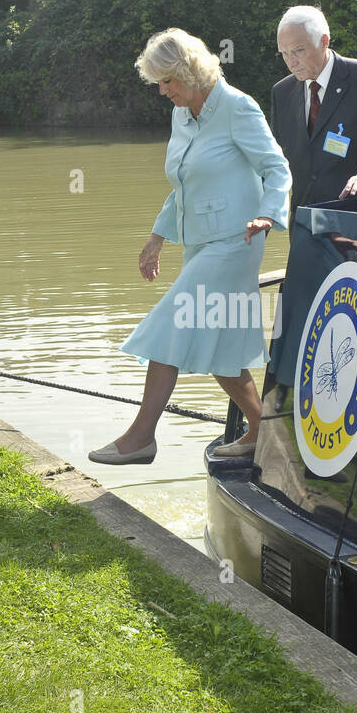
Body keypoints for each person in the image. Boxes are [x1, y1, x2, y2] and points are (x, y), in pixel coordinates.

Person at [88, 28, 290, 466]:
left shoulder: (238, 107)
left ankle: (141, 437)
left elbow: (277, 168)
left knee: (170, 325)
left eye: (167, 81)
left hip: (238, 240)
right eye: (158, 83)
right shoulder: (182, 115)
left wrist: (269, 214)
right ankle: (261, 431)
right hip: (199, 243)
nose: (162, 91)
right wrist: (158, 237)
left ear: (189, 72)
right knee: (222, 347)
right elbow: (183, 184)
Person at [270, 6, 357, 218]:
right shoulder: (281, 92)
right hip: (306, 226)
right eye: (284, 54)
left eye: (298, 50)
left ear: (324, 41)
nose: (291, 62)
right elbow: (274, 161)